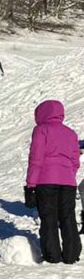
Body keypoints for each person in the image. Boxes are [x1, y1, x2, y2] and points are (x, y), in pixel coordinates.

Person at [24, 100, 81, 264]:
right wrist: (68, 175)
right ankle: (71, 255)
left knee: (48, 218)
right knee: (68, 216)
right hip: (68, 182)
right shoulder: (71, 133)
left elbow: (36, 159)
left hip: (46, 181)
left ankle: (52, 255)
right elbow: (75, 161)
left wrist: (30, 185)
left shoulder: (41, 130)